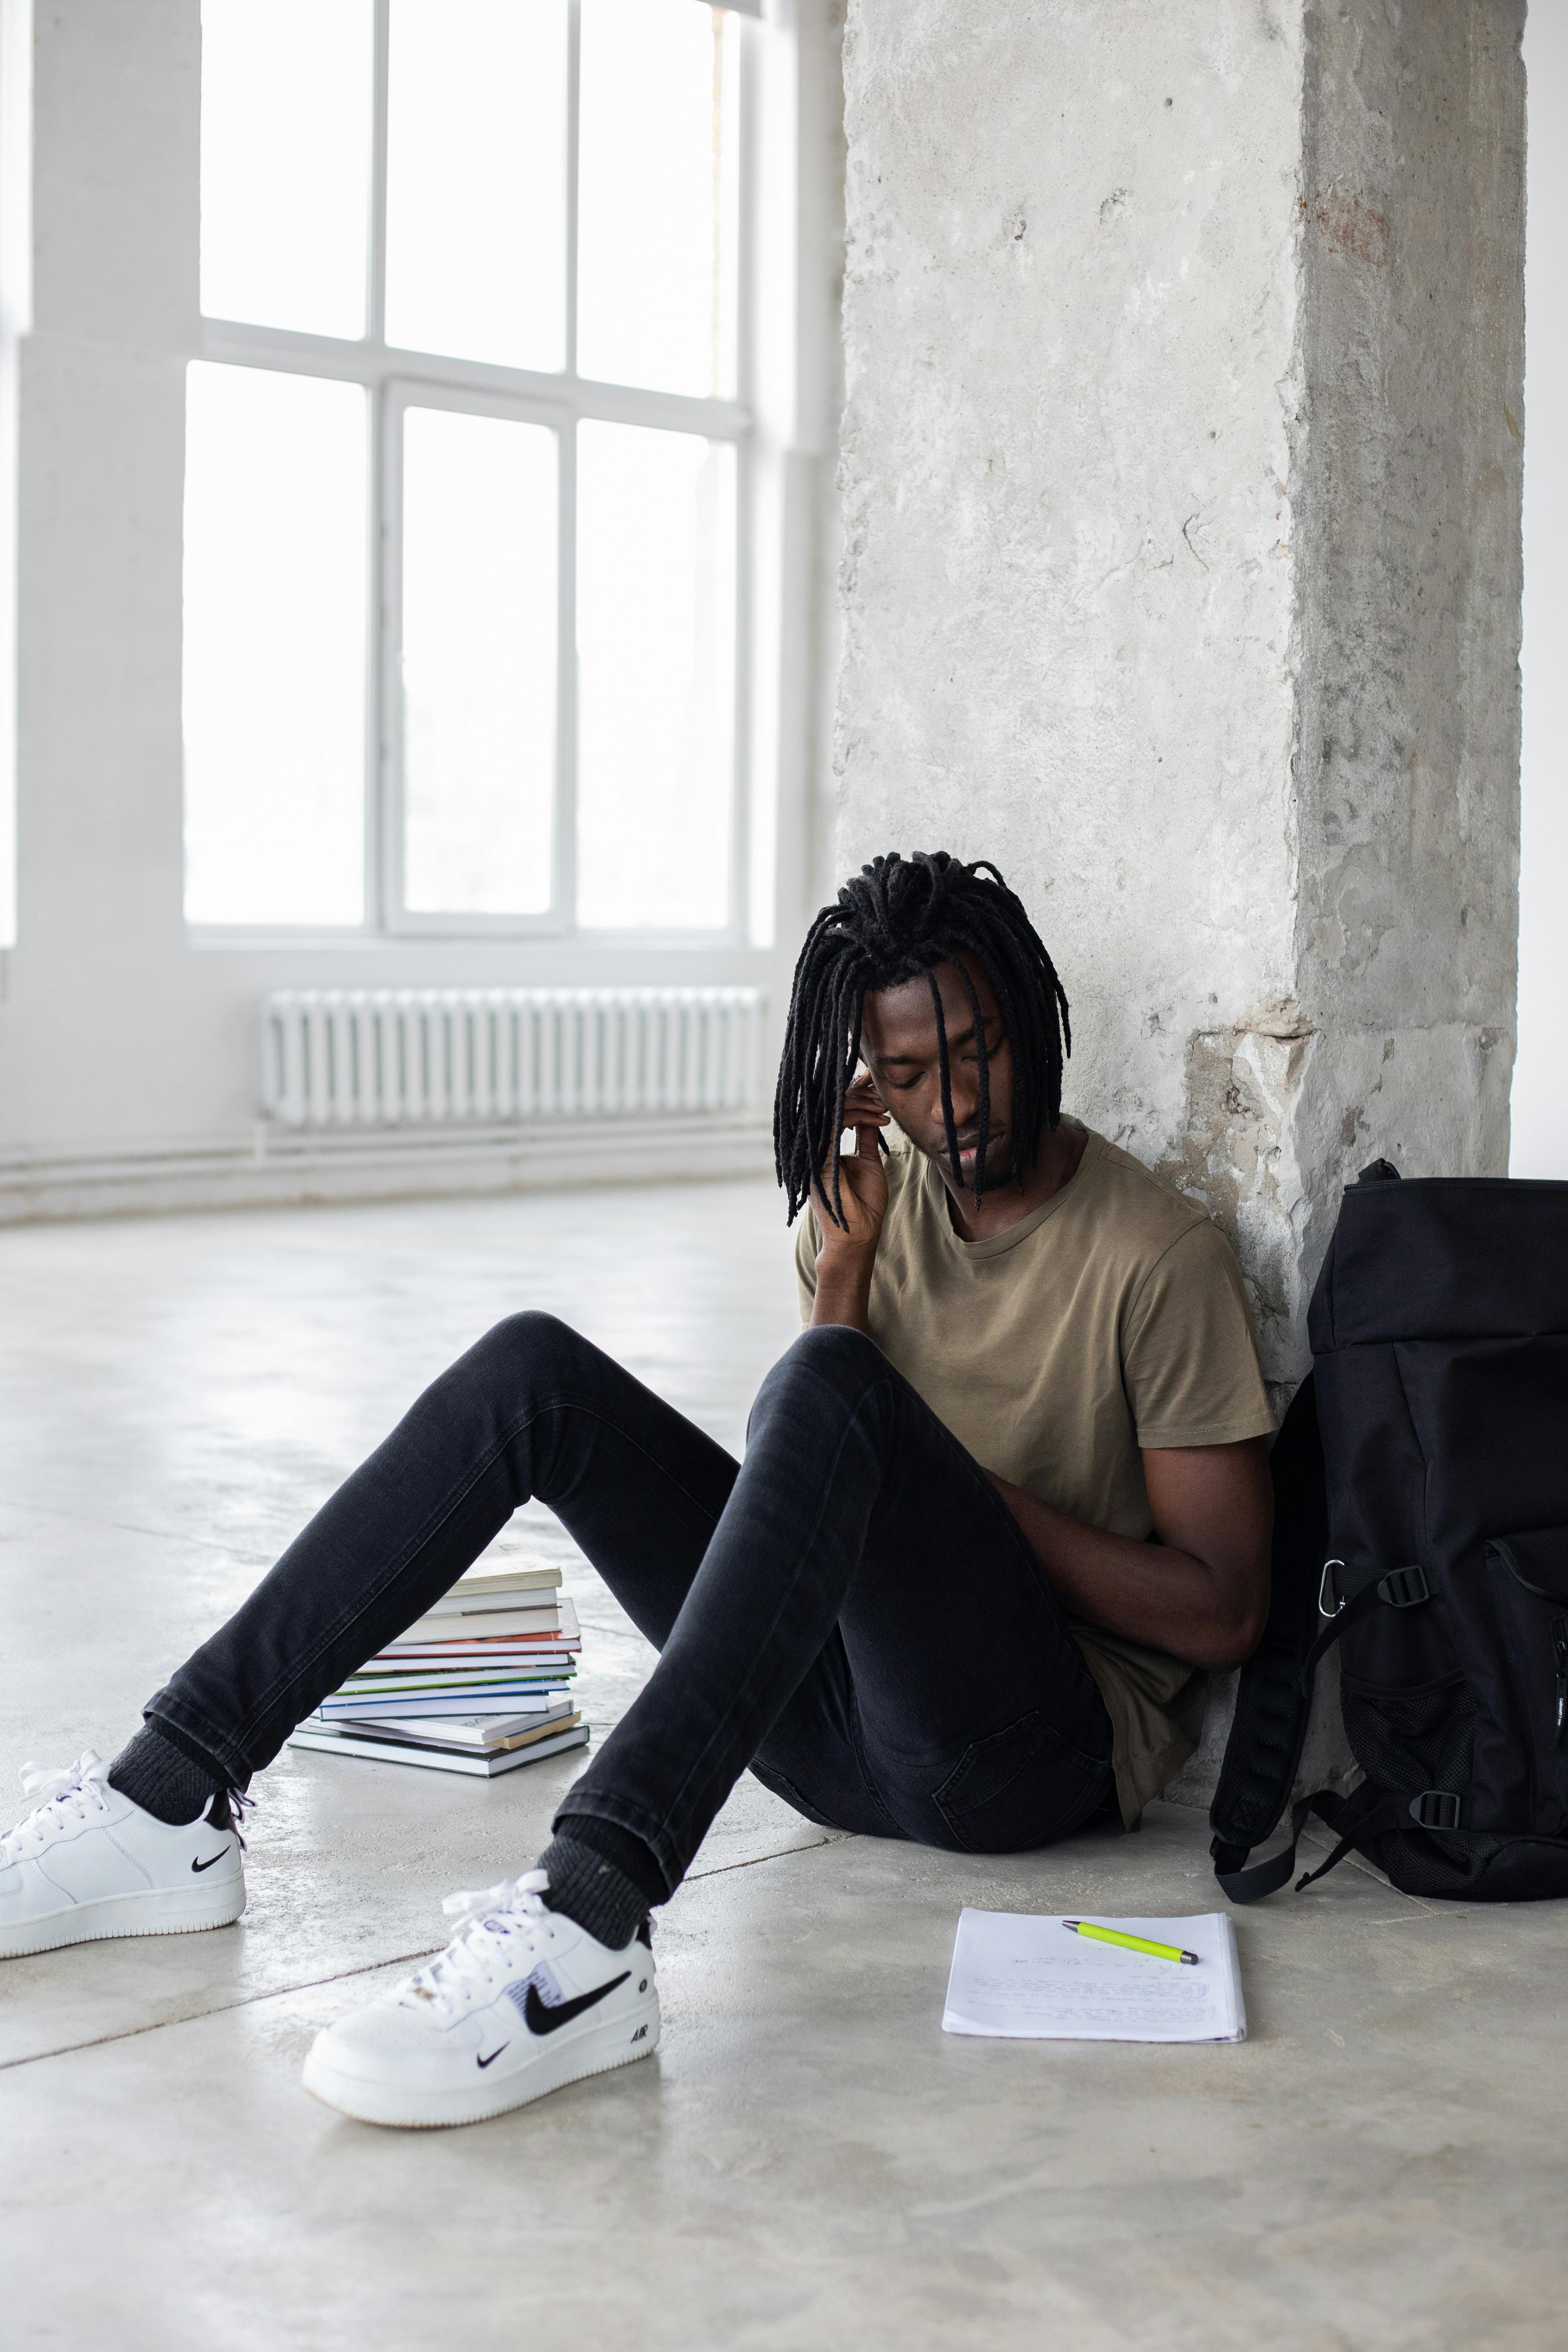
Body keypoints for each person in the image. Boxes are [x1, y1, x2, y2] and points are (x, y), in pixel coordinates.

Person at [0, 851, 1275, 2129]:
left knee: (835, 1394)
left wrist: (953, 1483)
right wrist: (847, 1264)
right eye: (907, 1077)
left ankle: (589, 1917)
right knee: (534, 1372)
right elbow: (818, 1482)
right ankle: (166, 1794)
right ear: (866, 1087)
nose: (955, 1106)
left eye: (976, 1052)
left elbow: (1221, 1611)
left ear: (1032, 1022)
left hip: (1019, 1762)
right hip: (830, 1739)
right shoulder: (864, 1216)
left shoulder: (1156, 1256)